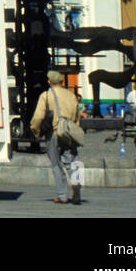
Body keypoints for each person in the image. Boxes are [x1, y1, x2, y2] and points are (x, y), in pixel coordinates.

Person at [31, 69, 83, 204]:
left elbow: (38, 117)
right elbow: (77, 117)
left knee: (56, 164)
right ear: (62, 81)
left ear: (49, 82)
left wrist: (36, 131)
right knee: (73, 162)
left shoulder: (46, 95)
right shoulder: (71, 95)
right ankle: (77, 187)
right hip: (69, 132)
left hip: (54, 133)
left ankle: (62, 196)